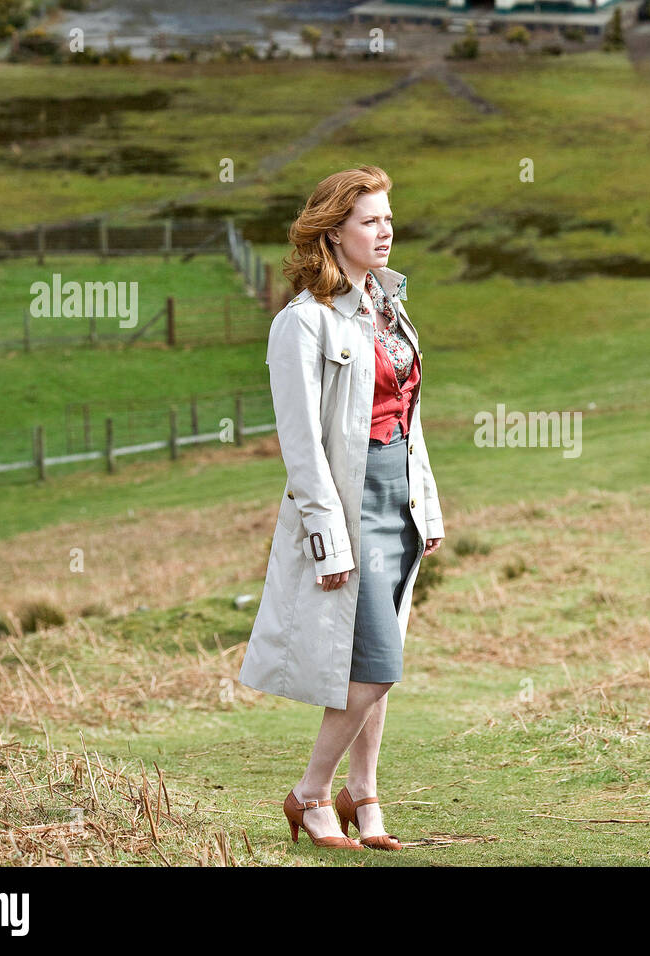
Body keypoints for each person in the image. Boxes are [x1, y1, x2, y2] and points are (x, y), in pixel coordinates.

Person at [239, 165, 445, 852]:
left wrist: (428, 506)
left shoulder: (388, 305)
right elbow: (302, 447)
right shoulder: (302, 324)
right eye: (369, 221)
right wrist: (328, 538)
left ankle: (366, 793)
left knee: (373, 666)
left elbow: (410, 415)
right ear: (333, 233)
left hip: (399, 498)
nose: (385, 230)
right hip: (350, 506)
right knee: (378, 664)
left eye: (388, 217)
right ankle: (310, 793)